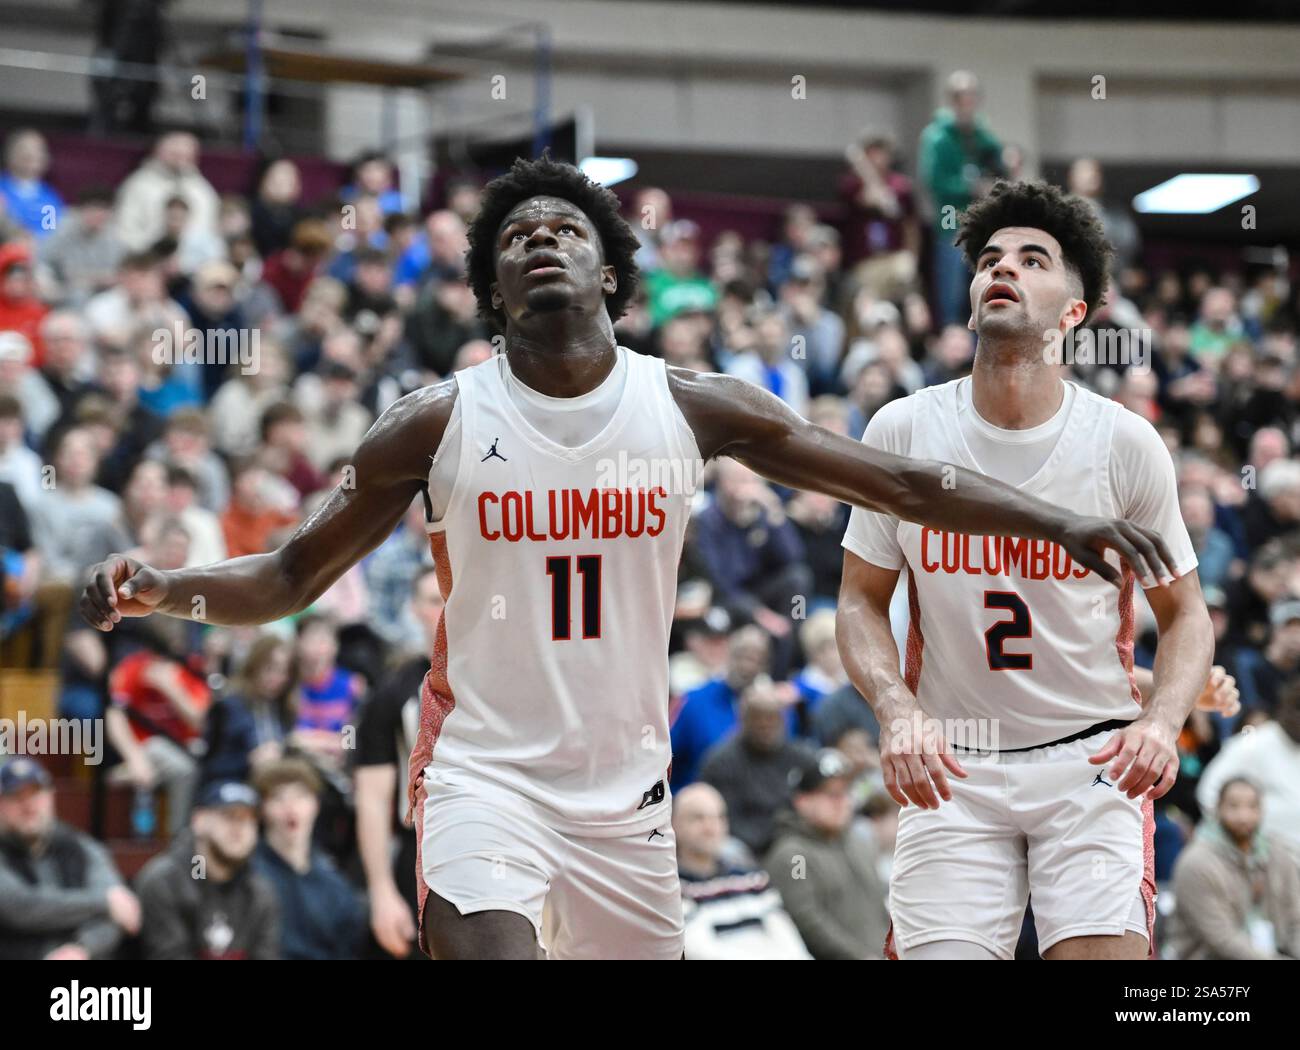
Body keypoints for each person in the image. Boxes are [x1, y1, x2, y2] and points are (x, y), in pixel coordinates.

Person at [80, 154, 1176, 961]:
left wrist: (1061, 526)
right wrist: (166, 586)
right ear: (492, 293)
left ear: (611, 275)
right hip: (483, 775)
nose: (539, 239)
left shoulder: (688, 405)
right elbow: (285, 580)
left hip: (629, 800)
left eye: (564, 229)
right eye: (515, 239)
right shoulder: (430, 421)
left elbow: (897, 484)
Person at [836, 180, 1214, 961]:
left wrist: (1160, 722)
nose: (1001, 268)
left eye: (1033, 258)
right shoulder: (904, 428)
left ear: (1075, 312)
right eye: (990, 259)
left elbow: (1186, 616)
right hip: (953, 764)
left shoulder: (1122, 444)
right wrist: (895, 709)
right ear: (972, 295)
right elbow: (859, 602)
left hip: (1090, 760)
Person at [356, 564, 443, 959]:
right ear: (414, 609)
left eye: (452, 596)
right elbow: (372, 799)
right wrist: (381, 890)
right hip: (420, 853)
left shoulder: (503, 680)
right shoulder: (392, 694)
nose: (445, 609)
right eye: (433, 600)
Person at [0, 758, 142, 959]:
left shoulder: (83, 847)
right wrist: (103, 902)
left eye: (35, 793)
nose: (28, 805)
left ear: (51, 797)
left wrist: (82, 949)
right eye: (16, 797)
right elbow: (18, 907)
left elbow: (120, 916)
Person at [763, 748, 890, 959]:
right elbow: (807, 921)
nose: (841, 801)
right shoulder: (795, 857)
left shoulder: (859, 843)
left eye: (845, 792)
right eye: (831, 794)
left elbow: (881, 905)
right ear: (802, 801)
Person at [135, 780, 279, 959]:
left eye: (250, 820)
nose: (240, 828)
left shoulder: (260, 890)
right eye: (230, 816)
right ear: (198, 821)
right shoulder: (164, 881)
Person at [673, 782, 810, 960]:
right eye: (698, 818)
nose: (711, 827)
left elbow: (789, 941)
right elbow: (701, 953)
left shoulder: (753, 879)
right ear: (674, 825)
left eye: (719, 817)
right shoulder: (674, 890)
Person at [1168, 777, 1300, 959]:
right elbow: (1221, 939)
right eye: (1234, 806)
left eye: (1252, 806)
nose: (1243, 816)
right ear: (1217, 809)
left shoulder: (1279, 855)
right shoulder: (1195, 862)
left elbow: (1296, 920)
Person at [251, 758, 366, 960]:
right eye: (278, 798)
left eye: (300, 796)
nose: (290, 807)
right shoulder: (247, 876)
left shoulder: (335, 885)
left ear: (316, 804)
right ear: (262, 808)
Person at [918, 71, 1004, 326]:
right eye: (960, 98)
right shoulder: (937, 136)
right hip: (949, 219)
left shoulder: (980, 134)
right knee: (951, 284)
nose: (966, 103)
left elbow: (997, 161)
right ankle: (950, 335)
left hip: (980, 221)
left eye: (971, 98)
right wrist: (971, 188)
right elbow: (933, 181)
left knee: (984, 281)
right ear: (952, 101)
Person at [698, 677, 817, 855]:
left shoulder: (802, 758)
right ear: (742, 720)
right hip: (747, 846)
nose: (765, 725)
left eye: (772, 717)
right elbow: (728, 821)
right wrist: (774, 842)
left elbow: (813, 805)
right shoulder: (721, 761)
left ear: (784, 720)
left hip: (795, 840)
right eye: (757, 717)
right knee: (729, 850)